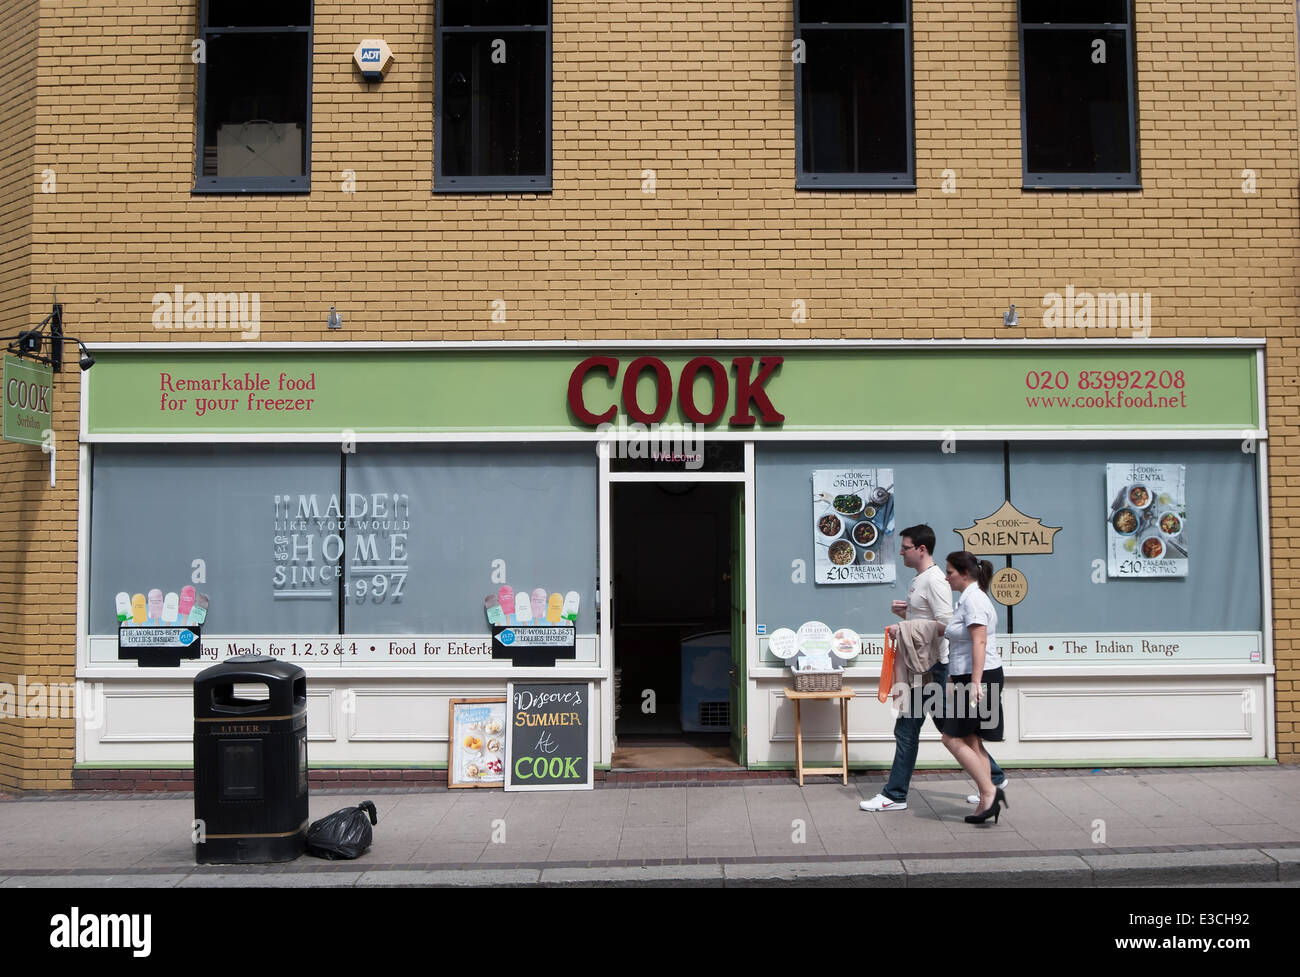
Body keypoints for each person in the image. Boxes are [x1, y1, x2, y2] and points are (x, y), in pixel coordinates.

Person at [860, 526, 1007, 812]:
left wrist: (904, 627)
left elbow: (948, 625)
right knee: (949, 729)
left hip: (928, 667)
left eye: (905, 547)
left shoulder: (936, 581)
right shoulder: (922, 579)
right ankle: (995, 779)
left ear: (921, 549)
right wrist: (908, 615)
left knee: (908, 730)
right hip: (929, 666)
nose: (901, 552)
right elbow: (940, 624)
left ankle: (895, 794)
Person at [938, 550, 1008, 825]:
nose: (946, 577)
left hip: (980, 677)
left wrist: (975, 683)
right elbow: (963, 643)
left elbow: (980, 642)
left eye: (950, 572)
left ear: (964, 574)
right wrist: (955, 678)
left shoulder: (975, 601)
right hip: (969, 676)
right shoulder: (967, 599)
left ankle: (990, 790)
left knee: (951, 738)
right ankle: (986, 798)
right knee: (970, 739)